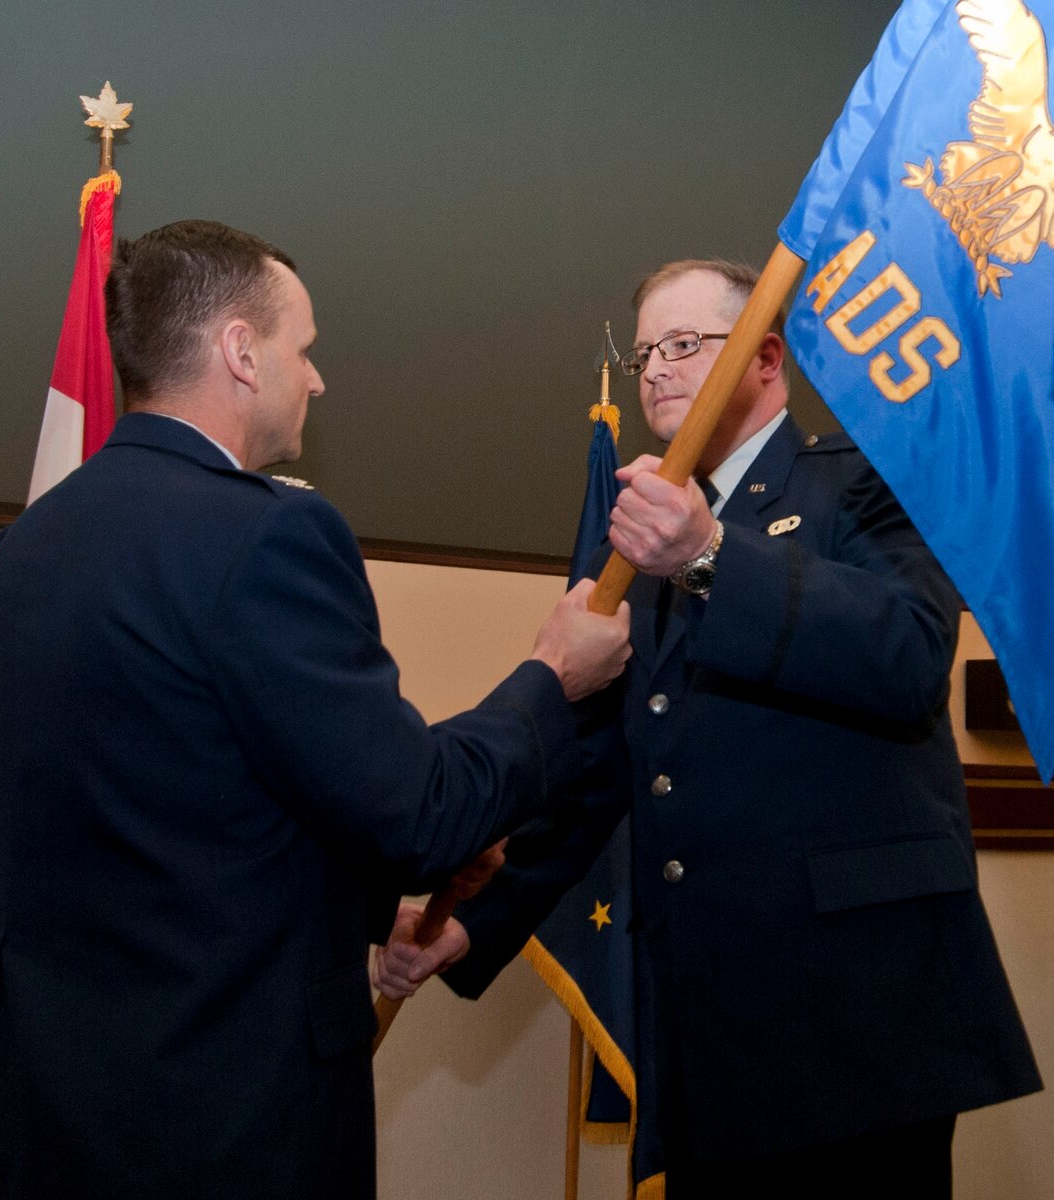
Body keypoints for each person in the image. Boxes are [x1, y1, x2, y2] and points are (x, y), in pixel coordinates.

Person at [0, 219, 632, 1200]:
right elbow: (419, 814)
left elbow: (183, 801)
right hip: (224, 1123)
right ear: (241, 353)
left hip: (48, 1117)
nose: (318, 378)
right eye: (306, 347)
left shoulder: (31, 544)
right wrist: (551, 676)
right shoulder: (268, 538)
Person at [374, 259, 1042, 1198]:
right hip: (707, 1023)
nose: (653, 369)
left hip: (859, 1019)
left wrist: (709, 554)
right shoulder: (643, 549)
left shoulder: (866, 480)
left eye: (685, 344)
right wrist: (475, 926)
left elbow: (908, 657)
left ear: (766, 357)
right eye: (645, 350)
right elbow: (608, 762)